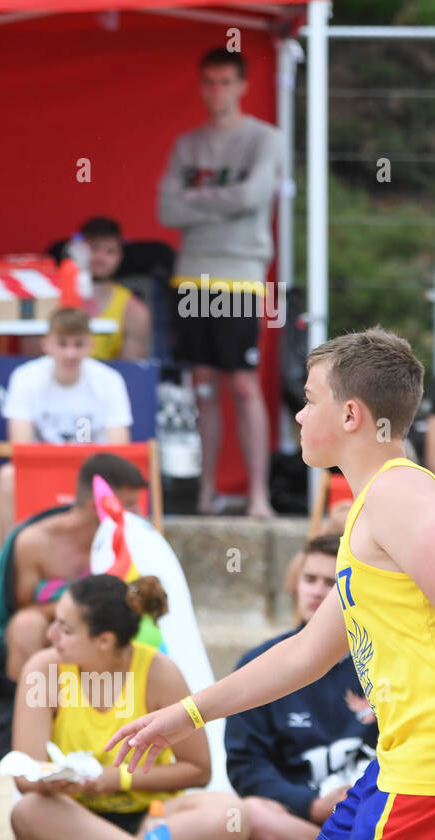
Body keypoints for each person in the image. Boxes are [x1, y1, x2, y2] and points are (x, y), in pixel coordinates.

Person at [109, 328, 435, 840]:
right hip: (393, 762)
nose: (300, 416)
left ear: (351, 415)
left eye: (308, 401)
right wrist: (189, 713)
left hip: (422, 774)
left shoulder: (397, 493)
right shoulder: (375, 503)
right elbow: (305, 653)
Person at [10, 574, 248, 840]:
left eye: (66, 629)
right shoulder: (45, 669)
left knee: (230, 815)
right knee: (28, 812)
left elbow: (199, 770)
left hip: (148, 818)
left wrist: (118, 778)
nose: (51, 635)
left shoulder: (159, 672)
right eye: (55, 621)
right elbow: (24, 775)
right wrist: (55, 782)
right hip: (72, 819)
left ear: (104, 640)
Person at [157, 48, 282, 519]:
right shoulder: (187, 144)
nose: (217, 91)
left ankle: (258, 497)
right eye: (209, 82)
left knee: (244, 385)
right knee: (203, 383)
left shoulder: (265, 139)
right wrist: (224, 201)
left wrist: (199, 199)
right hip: (191, 273)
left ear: (243, 85)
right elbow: (167, 210)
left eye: (226, 82)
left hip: (241, 276)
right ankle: (204, 493)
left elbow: (254, 196)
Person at [225, 533, 377, 840]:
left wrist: (358, 801)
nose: (318, 591)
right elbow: (246, 766)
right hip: (297, 821)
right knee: (251, 815)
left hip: (372, 815)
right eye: (310, 579)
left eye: (331, 582)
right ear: (296, 584)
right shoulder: (259, 661)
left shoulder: (381, 660)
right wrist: (309, 803)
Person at [0, 453, 148, 681]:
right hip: (53, 627)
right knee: (25, 625)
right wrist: (81, 609)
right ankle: (23, 709)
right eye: (130, 504)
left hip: (109, 627)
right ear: (98, 505)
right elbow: (22, 608)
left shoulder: (133, 540)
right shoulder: (34, 541)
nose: (141, 515)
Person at [0, 308, 134, 546]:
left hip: (95, 474)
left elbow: (120, 449)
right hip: (43, 470)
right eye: (62, 344)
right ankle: (10, 557)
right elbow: (19, 448)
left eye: (78, 344)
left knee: (126, 481)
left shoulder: (110, 380)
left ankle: (119, 555)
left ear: (90, 345)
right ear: (46, 344)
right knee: (8, 476)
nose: (70, 353)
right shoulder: (25, 377)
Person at [79, 216, 152, 361]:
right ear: (77, 251)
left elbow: (130, 373)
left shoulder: (135, 311)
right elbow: (31, 365)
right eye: (93, 249)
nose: (100, 257)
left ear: (120, 257)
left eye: (110, 251)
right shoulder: (49, 300)